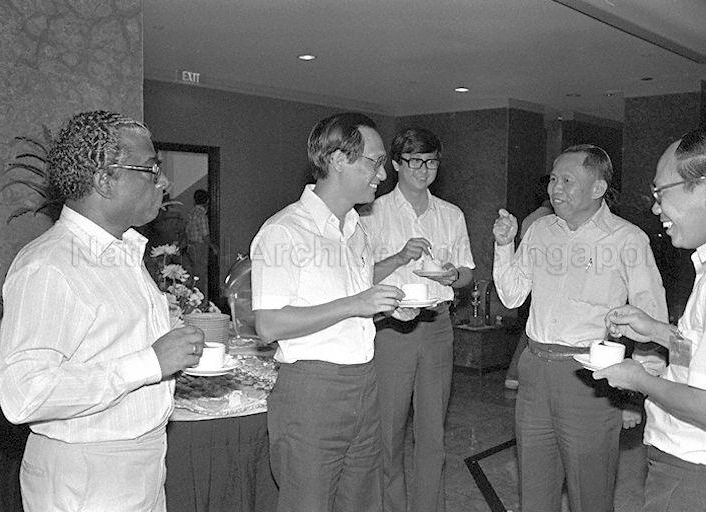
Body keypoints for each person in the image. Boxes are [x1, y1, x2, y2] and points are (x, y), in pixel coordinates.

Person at [0, 110, 205, 511]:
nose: (163, 181)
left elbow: (108, 339)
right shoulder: (50, 264)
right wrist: (151, 362)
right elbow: (23, 394)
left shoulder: (122, 252)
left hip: (139, 464)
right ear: (105, 179)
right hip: (86, 475)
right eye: (150, 168)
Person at [492, 144, 668, 512]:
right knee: (535, 492)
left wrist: (633, 396)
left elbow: (653, 319)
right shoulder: (540, 231)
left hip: (590, 379)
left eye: (567, 181)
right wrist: (504, 245)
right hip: (535, 371)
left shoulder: (628, 240)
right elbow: (511, 297)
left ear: (598, 188)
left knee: (591, 494)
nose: (556, 189)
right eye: (554, 179)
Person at [596, 126, 706, 512]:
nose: (656, 209)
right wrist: (659, 332)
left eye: (660, 193)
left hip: (700, 469)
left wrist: (639, 379)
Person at [250, 113, 408, 512]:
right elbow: (269, 325)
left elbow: (346, 315)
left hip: (365, 383)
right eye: (375, 162)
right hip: (312, 391)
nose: (384, 174)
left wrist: (383, 311)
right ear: (338, 159)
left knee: (361, 502)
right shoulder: (284, 232)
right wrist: (357, 304)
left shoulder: (357, 228)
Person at [360, 127, 475, 512]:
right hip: (392, 327)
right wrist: (399, 257)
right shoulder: (372, 212)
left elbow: (468, 274)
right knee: (388, 432)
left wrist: (452, 276)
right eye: (414, 162)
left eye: (431, 162)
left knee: (432, 435)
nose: (423, 170)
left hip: (437, 325)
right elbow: (360, 277)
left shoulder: (451, 214)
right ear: (395, 165)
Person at [504, 174, 553, 390]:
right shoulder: (546, 222)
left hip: (528, 281)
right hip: (540, 283)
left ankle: (515, 374)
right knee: (532, 330)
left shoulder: (530, 219)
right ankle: (516, 374)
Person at [185, 188, 216, 294]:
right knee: (201, 274)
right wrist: (213, 247)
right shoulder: (202, 215)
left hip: (191, 245)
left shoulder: (191, 212)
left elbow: (187, 230)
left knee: (194, 273)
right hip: (200, 247)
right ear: (207, 201)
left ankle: (193, 298)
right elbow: (205, 236)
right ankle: (201, 300)